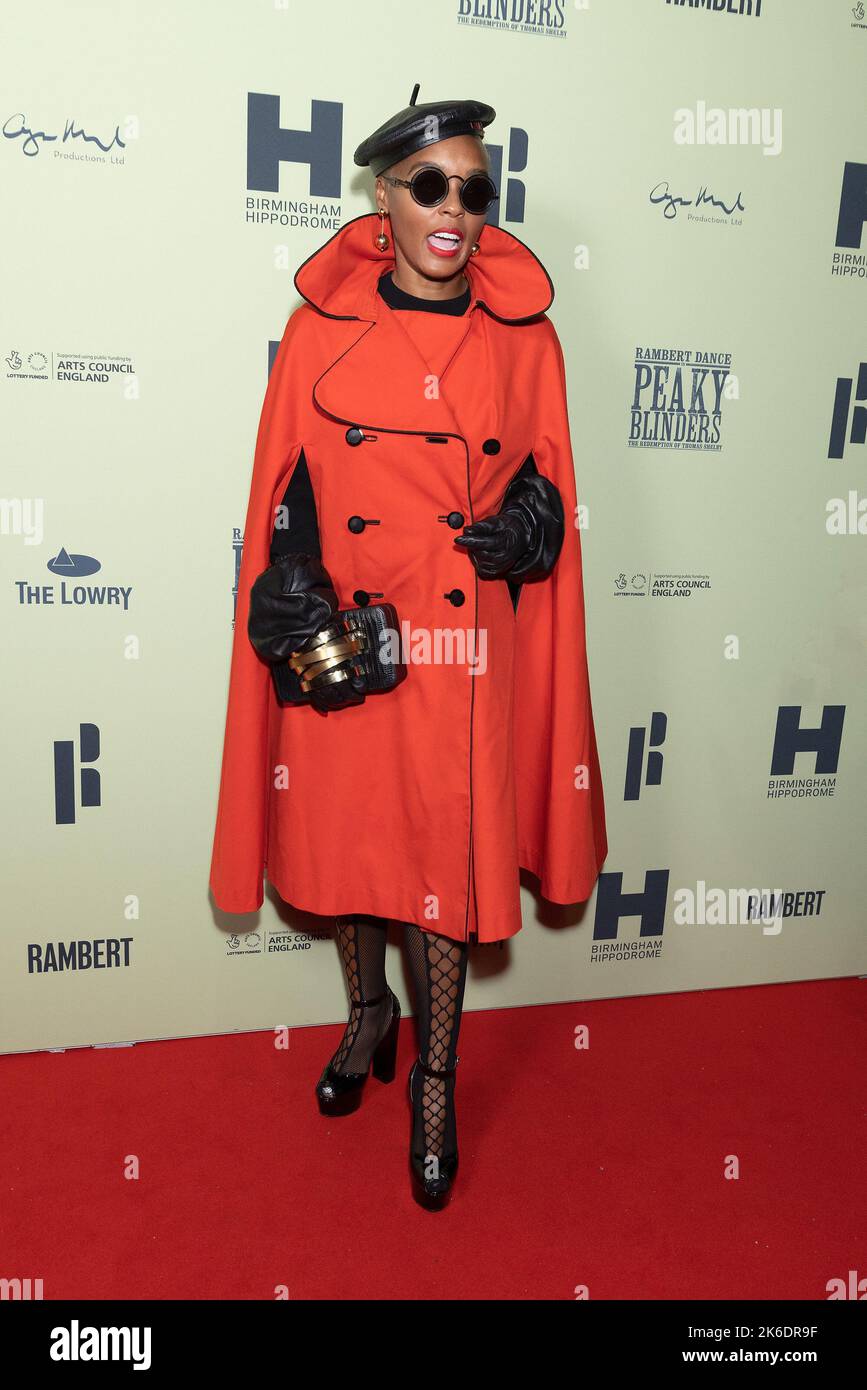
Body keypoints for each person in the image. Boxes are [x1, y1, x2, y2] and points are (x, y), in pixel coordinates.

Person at [209, 85, 608, 1210]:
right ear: (383, 198)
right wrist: (288, 585)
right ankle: (367, 1016)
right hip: (350, 636)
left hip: (462, 648)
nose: (456, 209)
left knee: (439, 868)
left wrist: (534, 524)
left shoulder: (527, 339)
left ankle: (433, 1082)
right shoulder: (317, 330)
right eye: (431, 185)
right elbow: (284, 485)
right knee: (351, 859)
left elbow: (547, 479)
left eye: (476, 190)